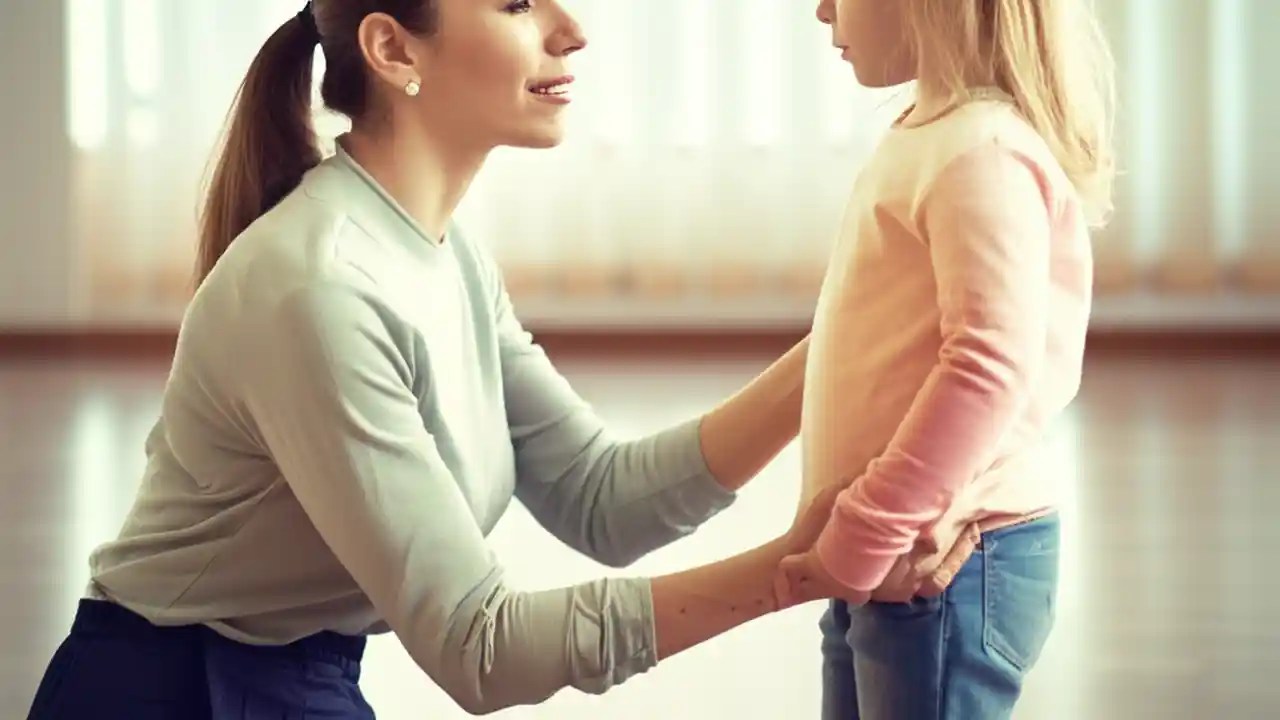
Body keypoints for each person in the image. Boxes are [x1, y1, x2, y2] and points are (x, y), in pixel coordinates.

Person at [25, 1, 874, 717]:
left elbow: (602, 499)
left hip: (296, 677)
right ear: (394, 50)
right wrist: (795, 572)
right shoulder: (317, 289)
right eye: (515, 2)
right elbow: (484, 647)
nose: (570, 28)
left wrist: (841, 339)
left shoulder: (440, 251)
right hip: (176, 691)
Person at [772, 0, 1116, 718]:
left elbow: (987, 368)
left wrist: (866, 531)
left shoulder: (980, 153)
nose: (821, 10)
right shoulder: (934, 136)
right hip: (893, 553)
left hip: (946, 561)